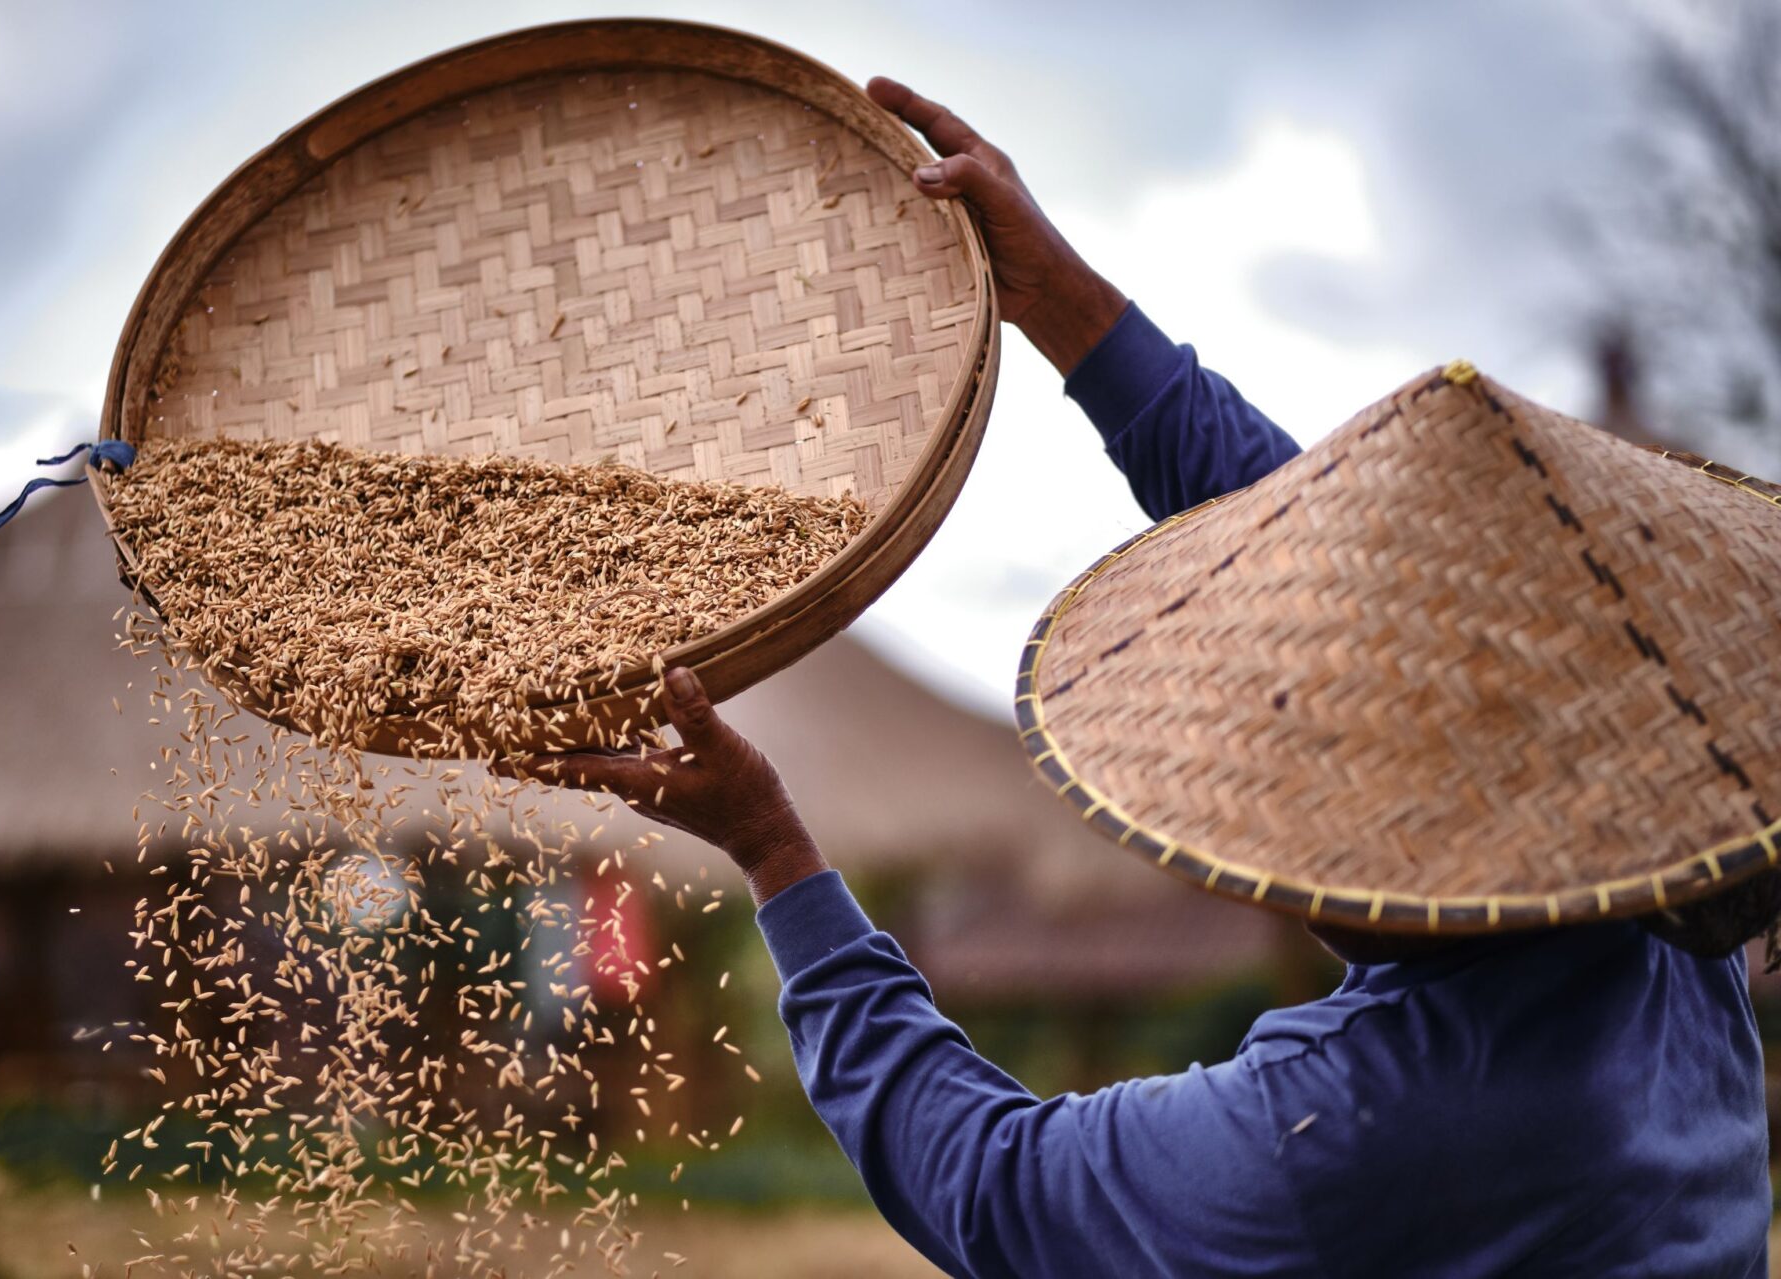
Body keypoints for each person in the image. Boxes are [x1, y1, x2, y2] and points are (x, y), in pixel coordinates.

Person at [533, 78, 1774, 1277]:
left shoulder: (1361, 1125)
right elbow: (1322, 572)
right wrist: (1070, 308)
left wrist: (776, 856)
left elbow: (991, 1182)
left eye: (1297, 763)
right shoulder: (1650, 925)